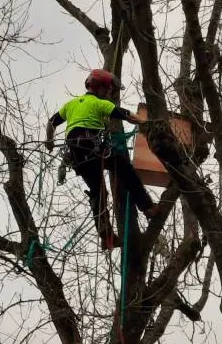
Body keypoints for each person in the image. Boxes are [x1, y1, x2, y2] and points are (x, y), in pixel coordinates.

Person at [45, 69, 160, 250]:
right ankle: (148, 207)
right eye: (106, 90)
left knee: (98, 192)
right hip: (92, 149)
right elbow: (126, 114)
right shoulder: (99, 104)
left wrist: (49, 141)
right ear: (99, 88)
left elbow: (51, 122)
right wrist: (146, 123)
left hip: (77, 157)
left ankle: (107, 237)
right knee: (124, 168)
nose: (107, 94)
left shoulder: (71, 104)